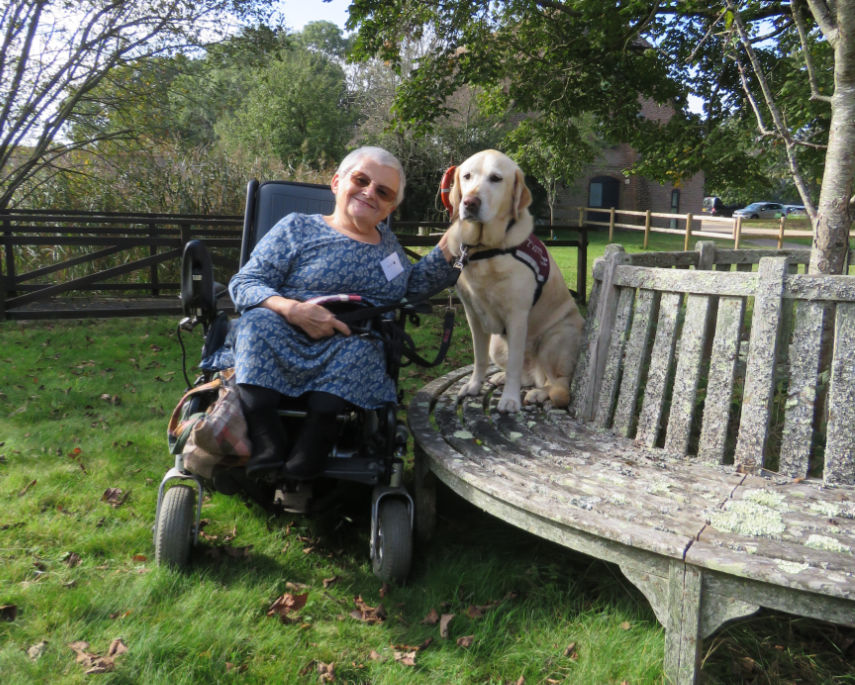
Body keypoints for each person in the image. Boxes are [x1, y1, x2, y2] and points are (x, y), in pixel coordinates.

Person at [226, 146, 454, 479]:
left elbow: (410, 287)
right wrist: (292, 309)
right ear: (336, 182)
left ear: (391, 206)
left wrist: (456, 241)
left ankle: (313, 447)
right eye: (360, 180)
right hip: (283, 329)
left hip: (350, 340)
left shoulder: (389, 247)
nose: (369, 192)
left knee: (363, 348)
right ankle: (266, 439)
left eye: (383, 191)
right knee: (255, 324)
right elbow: (246, 282)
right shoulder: (297, 229)